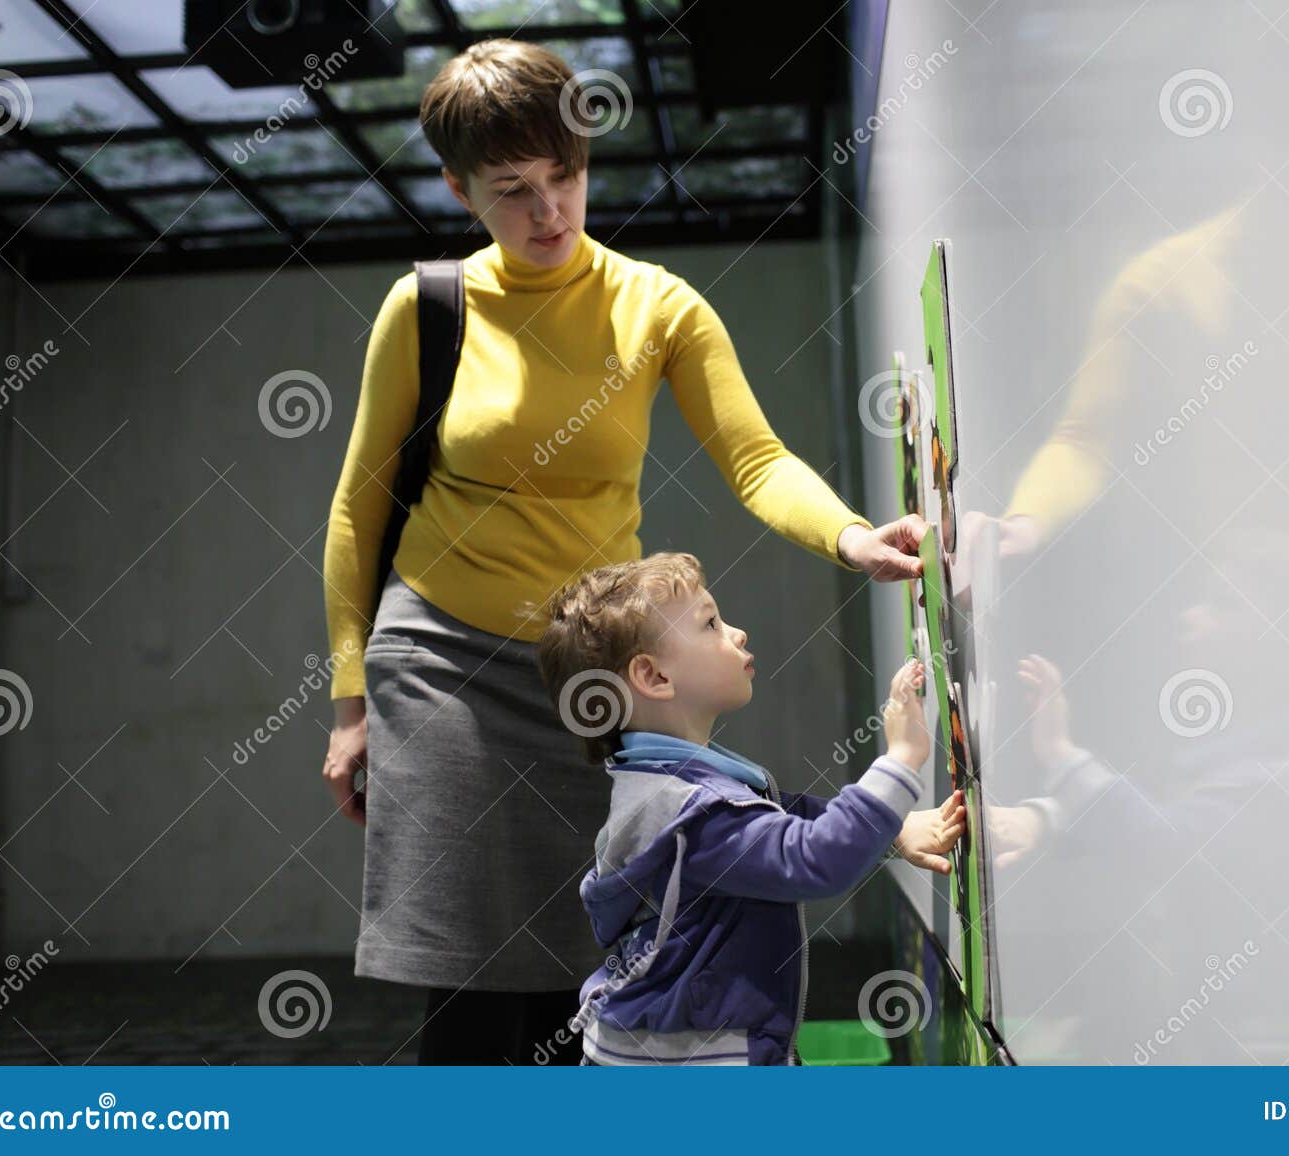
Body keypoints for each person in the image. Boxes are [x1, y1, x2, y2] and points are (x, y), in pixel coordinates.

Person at [318, 38, 925, 1065]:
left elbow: (756, 455)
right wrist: (346, 701)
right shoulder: (426, 309)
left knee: (587, 954)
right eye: (513, 191)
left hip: (589, 675)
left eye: (566, 178)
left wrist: (852, 535)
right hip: (440, 664)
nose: (549, 212)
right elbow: (355, 510)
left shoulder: (657, 306)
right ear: (459, 190)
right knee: (467, 971)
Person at [534, 551, 966, 1065]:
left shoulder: (669, 784)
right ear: (653, 677)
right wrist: (902, 757)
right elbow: (813, 859)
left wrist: (893, 833)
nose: (736, 634)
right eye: (711, 624)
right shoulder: (690, 813)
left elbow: (781, 825)